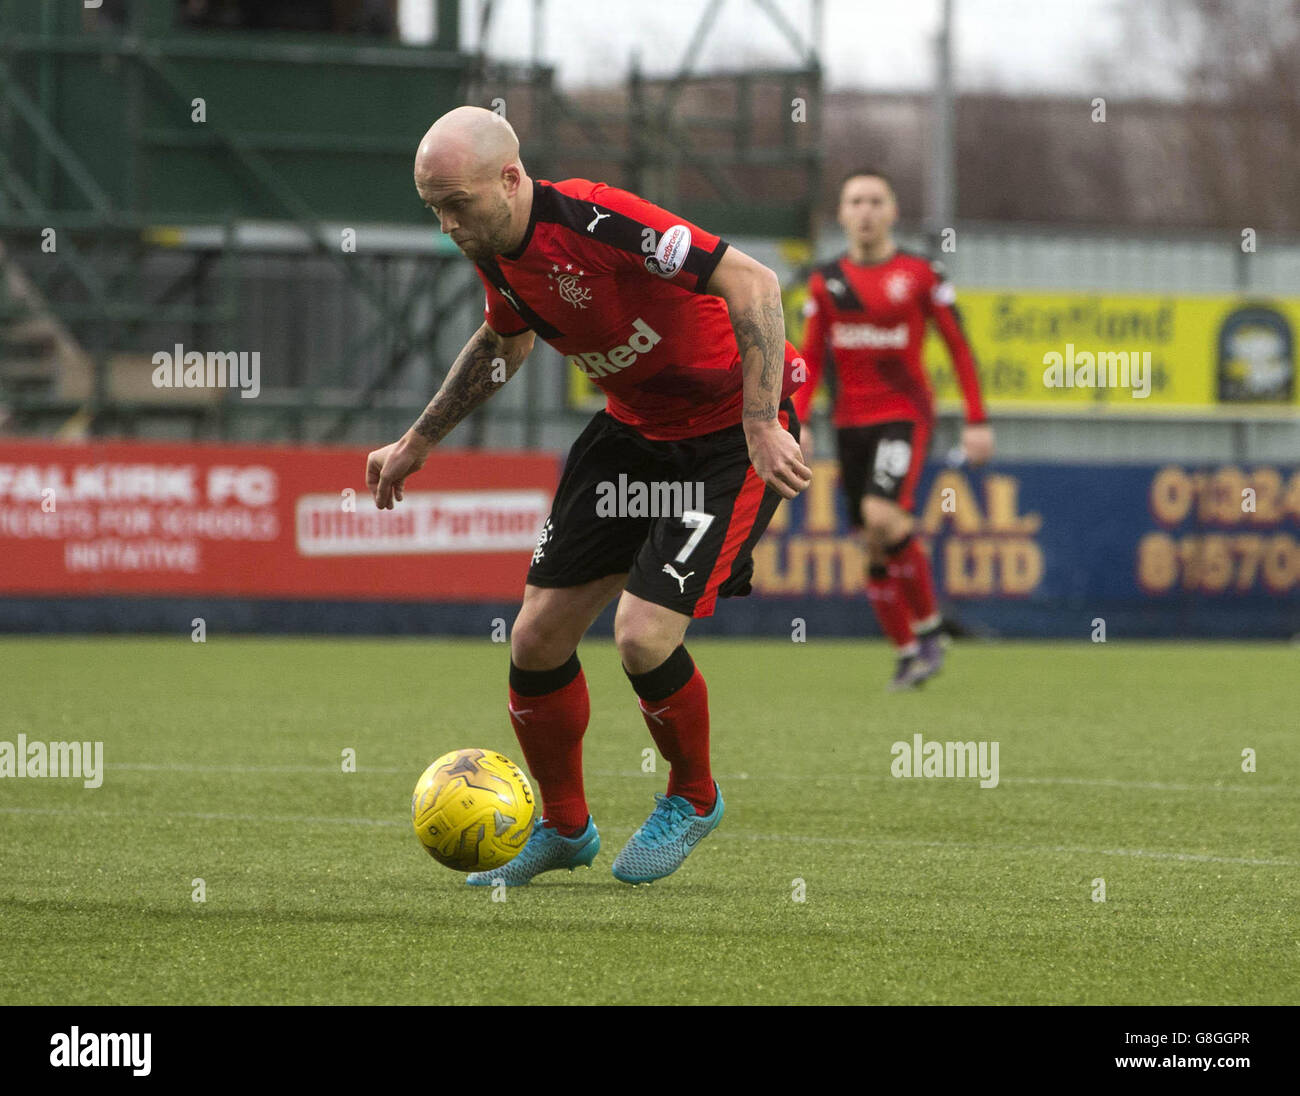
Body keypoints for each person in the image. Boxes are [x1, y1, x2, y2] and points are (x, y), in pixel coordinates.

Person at [367, 107, 810, 885]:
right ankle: (566, 828)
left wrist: (762, 421)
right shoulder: (493, 241)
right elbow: (505, 338)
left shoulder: (600, 220)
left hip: (725, 438)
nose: (446, 225)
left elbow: (754, 279)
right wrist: (419, 441)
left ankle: (694, 797)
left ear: (510, 179)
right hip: (631, 433)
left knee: (642, 636)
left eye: (456, 204)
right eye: (432, 208)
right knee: (536, 639)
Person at [794, 170, 993, 691]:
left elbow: (959, 347)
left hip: (903, 415)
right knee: (873, 543)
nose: (864, 210)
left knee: (883, 515)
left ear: (892, 211)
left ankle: (929, 630)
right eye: (854, 201)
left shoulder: (921, 273)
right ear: (841, 214)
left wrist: (976, 419)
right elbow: (811, 360)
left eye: (874, 201)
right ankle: (908, 655)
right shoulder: (825, 280)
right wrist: (796, 418)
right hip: (848, 423)